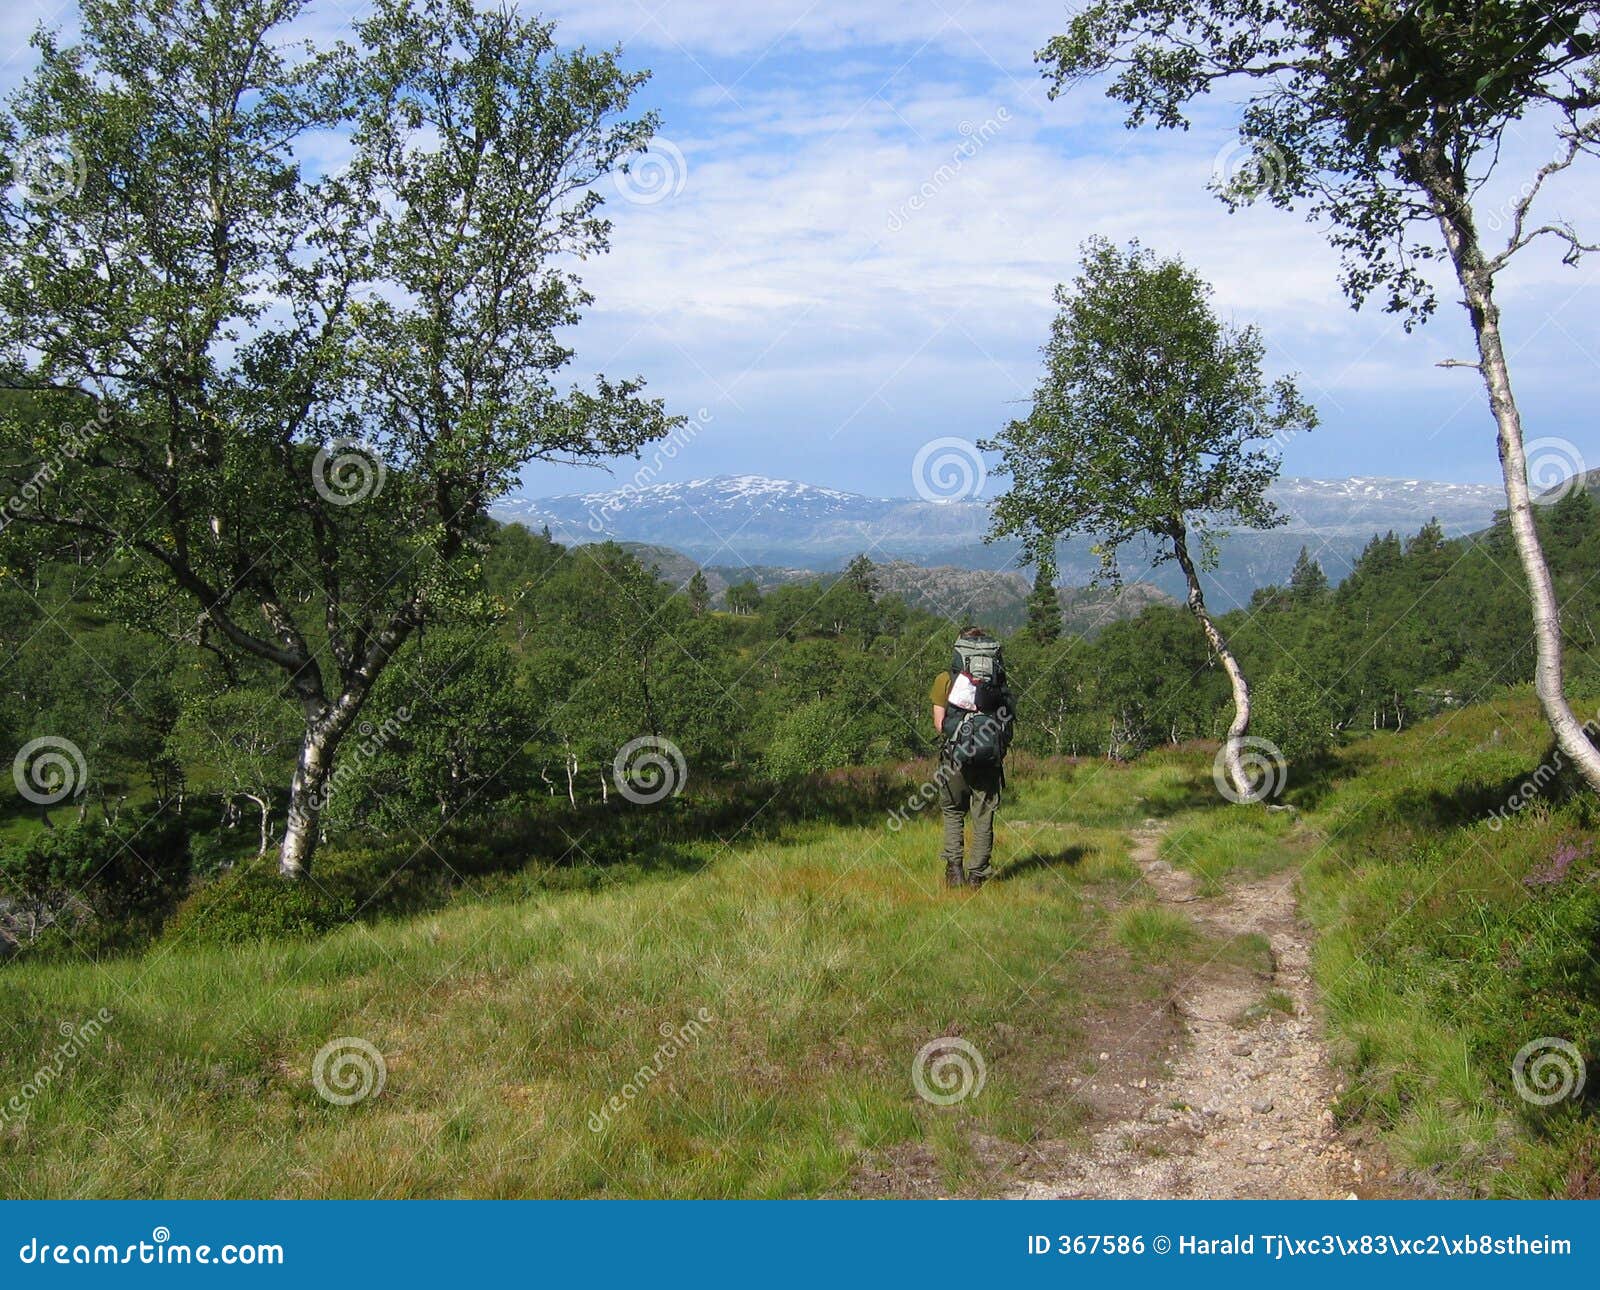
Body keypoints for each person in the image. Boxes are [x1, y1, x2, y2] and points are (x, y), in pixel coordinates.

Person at [929, 626, 1014, 889]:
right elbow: (1007, 722)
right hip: (989, 759)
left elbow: (939, 724)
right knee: (983, 814)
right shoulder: (998, 681)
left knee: (953, 811)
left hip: (955, 756)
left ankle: (954, 872)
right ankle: (977, 876)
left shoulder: (946, 678)